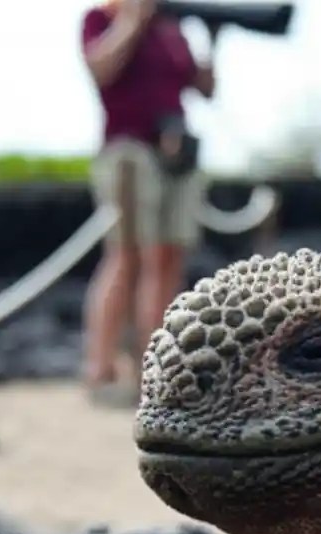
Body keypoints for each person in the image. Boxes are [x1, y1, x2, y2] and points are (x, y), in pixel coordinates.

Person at [79, 0, 215, 405]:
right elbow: (101, 69)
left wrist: (213, 38)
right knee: (126, 255)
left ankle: (152, 368)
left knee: (168, 256)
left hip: (175, 153)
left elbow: (205, 89)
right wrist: (133, 19)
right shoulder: (98, 19)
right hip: (128, 150)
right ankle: (100, 367)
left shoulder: (174, 31)